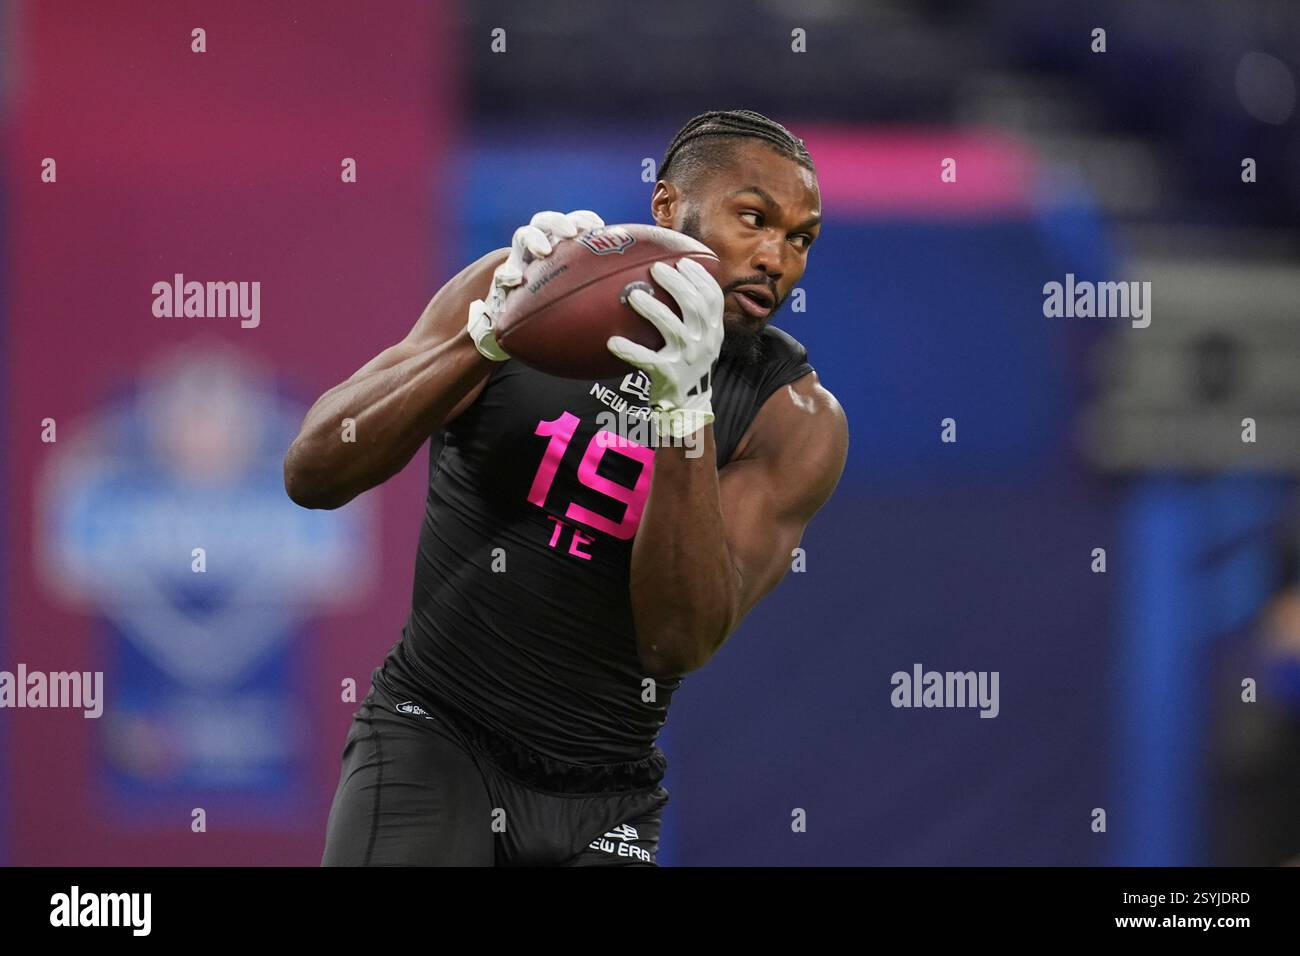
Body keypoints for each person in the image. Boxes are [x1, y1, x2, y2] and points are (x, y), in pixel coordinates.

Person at [285, 109, 849, 866]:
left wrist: (681, 417)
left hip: (605, 797)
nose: (777, 258)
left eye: (801, 239)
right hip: (436, 735)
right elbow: (314, 471)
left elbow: (676, 639)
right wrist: (486, 337)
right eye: (755, 219)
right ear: (667, 207)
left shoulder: (795, 417)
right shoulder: (520, 285)